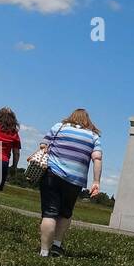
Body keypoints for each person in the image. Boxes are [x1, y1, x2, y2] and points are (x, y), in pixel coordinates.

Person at [37, 109, 103, 258]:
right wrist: (96, 181)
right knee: (65, 214)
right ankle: (57, 246)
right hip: (75, 180)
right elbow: (97, 158)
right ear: (88, 121)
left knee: (49, 213)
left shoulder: (59, 127)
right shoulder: (93, 136)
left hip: (52, 174)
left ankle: (44, 252)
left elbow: (43, 146)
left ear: (71, 117)